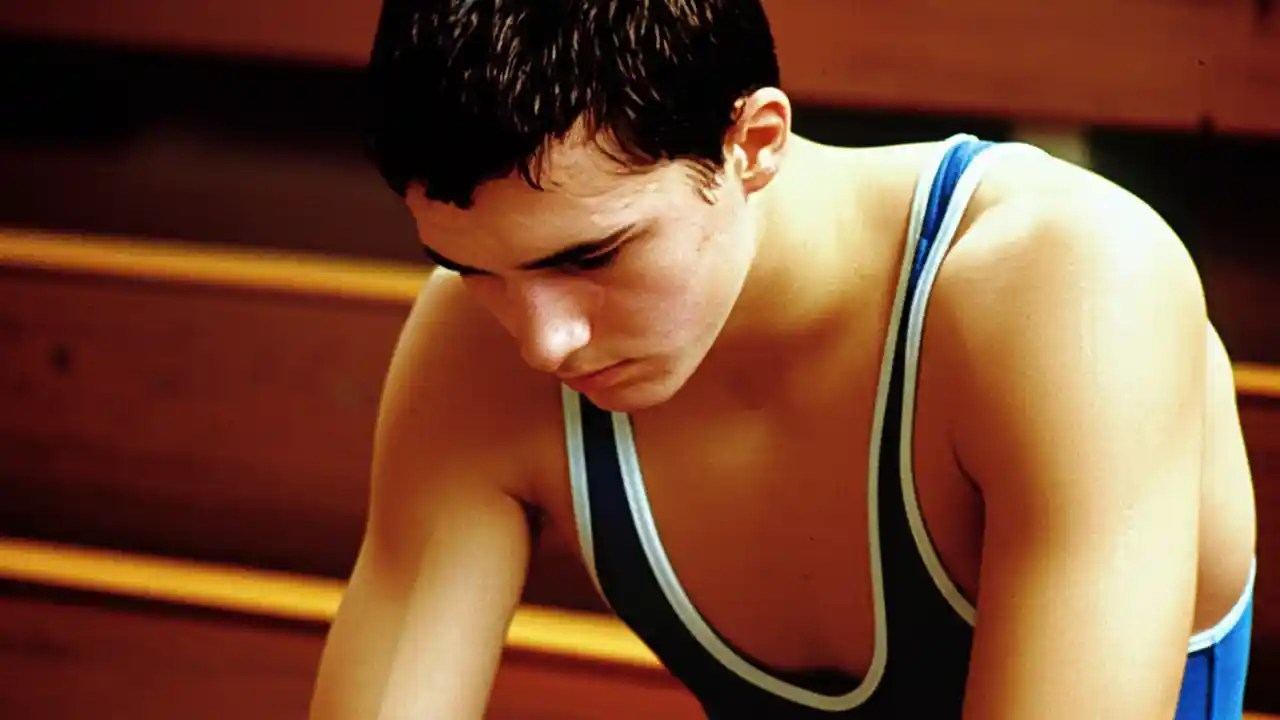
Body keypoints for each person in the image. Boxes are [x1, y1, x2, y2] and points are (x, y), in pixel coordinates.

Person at [309, 1, 1258, 718]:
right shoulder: (472, 344)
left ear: (753, 143)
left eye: (591, 257)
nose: (540, 342)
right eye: (471, 268)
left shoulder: (1069, 286)